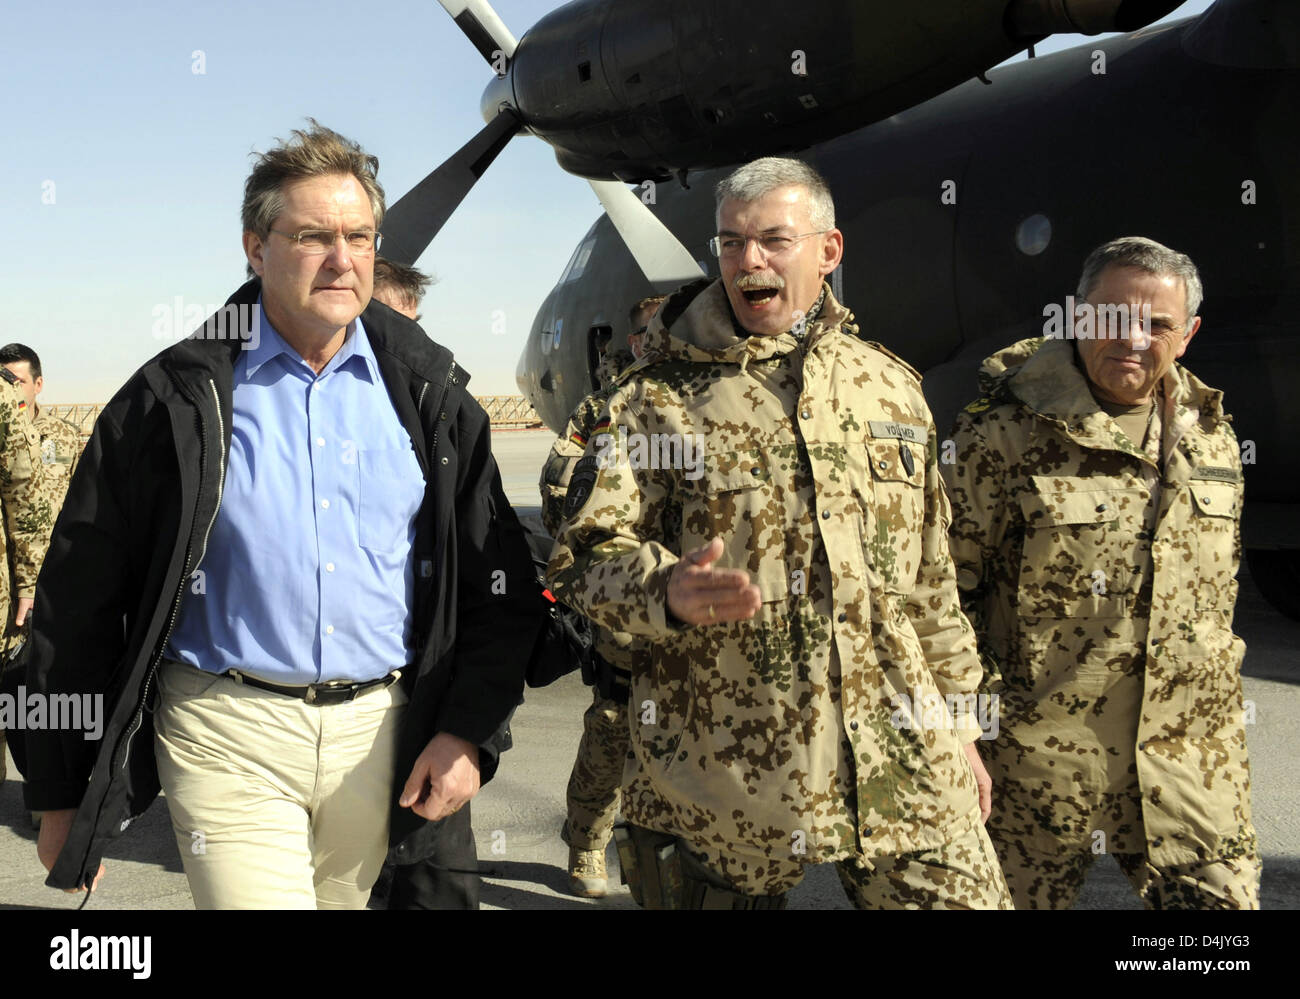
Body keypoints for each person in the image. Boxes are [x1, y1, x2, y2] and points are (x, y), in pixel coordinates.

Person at [21, 122, 542, 908]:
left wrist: (469, 728)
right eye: (313, 236)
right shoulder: (173, 399)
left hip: (382, 737)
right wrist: (60, 789)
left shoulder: (431, 397)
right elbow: (79, 594)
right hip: (227, 734)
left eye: (359, 236)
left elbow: (495, 580)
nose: (343, 258)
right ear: (255, 248)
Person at [547, 156, 1012, 909]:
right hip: (723, 770)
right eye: (730, 243)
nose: (747, 261)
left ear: (828, 251)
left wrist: (962, 725)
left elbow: (930, 583)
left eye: (772, 240)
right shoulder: (650, 400)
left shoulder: (890, 386)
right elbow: (583, 558)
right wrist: (665, 587)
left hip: (905, 758)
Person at [942, 235, 1259, 909]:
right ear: (1077, 316)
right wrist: (957, 731)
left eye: (1157, 324)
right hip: (1039, 770)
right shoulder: (1002, 434)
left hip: (1191, 767)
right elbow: (944, 596)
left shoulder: (1213, 436)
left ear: (1189, 333)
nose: (1132, 339)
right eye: (1110, 317)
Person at [365, 255, 486, 910]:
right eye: (391, 328)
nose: (410, 347)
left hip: (429, 729)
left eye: (415, 327)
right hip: (321, 743)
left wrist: (468, 732)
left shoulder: (451, 418)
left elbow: (493, 596)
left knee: (435, 891)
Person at [540, 294, 662, 897]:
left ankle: (663, 864)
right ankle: (587, 844)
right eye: (644, 333)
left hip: (700, 601)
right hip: (623, 601)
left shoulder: (709, 396)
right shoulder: (603, 410)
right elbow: (557, 491)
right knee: (614, 724)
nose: (652, 341)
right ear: (632, 340)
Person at [0, 362, 52, 789]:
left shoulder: (1, 394)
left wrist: (29, 582)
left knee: (15, 685)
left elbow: (24, 488)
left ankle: (44, 788)